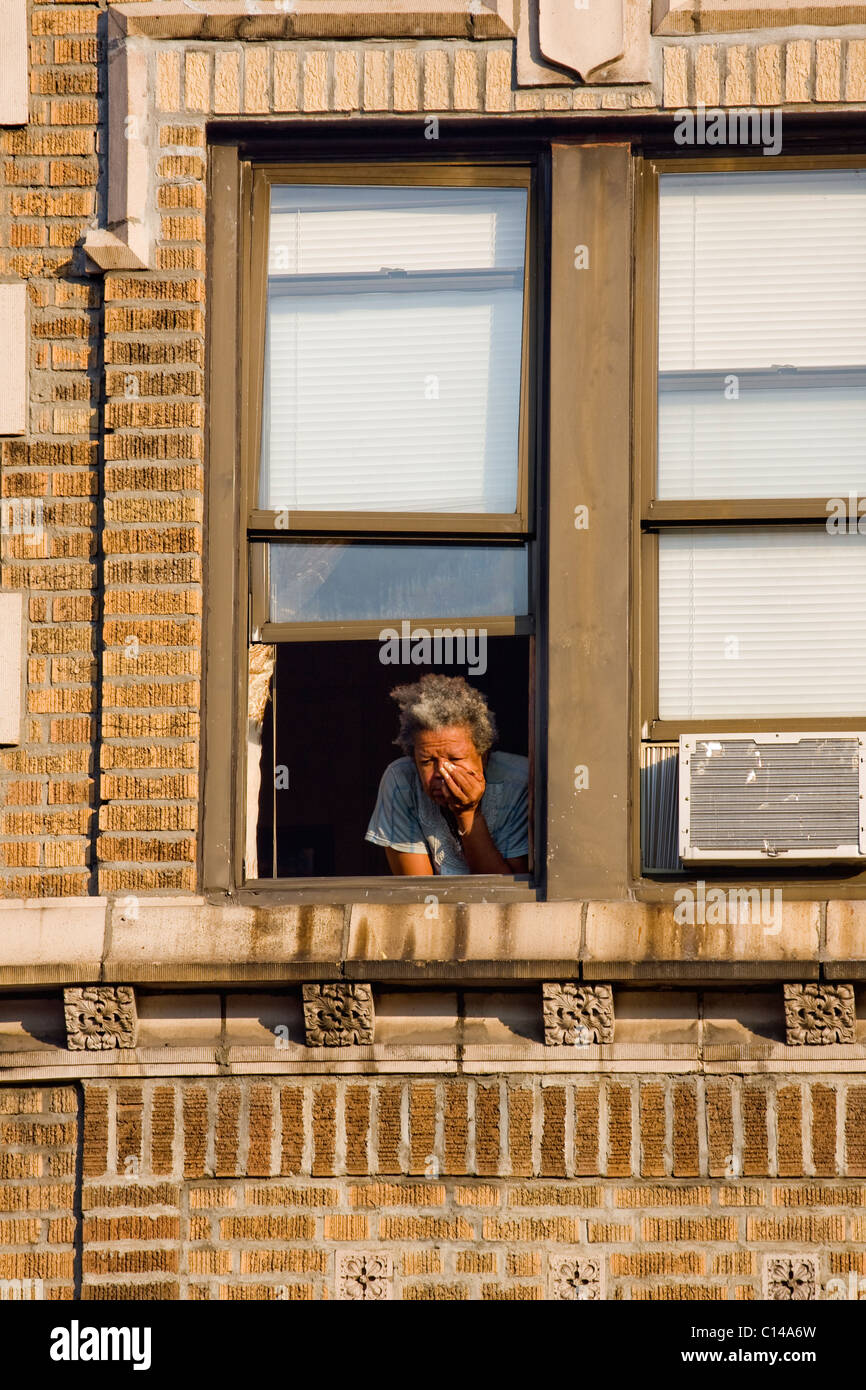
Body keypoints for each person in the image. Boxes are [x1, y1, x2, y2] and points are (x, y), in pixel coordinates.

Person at [365, 673, 529, 876]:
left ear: (484, 755)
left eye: (456, 760)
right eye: (427, 761)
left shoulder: (519, 781)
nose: (441, 773)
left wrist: (469, 814)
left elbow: (510, 893)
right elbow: (418, 893)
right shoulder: (401, 781)